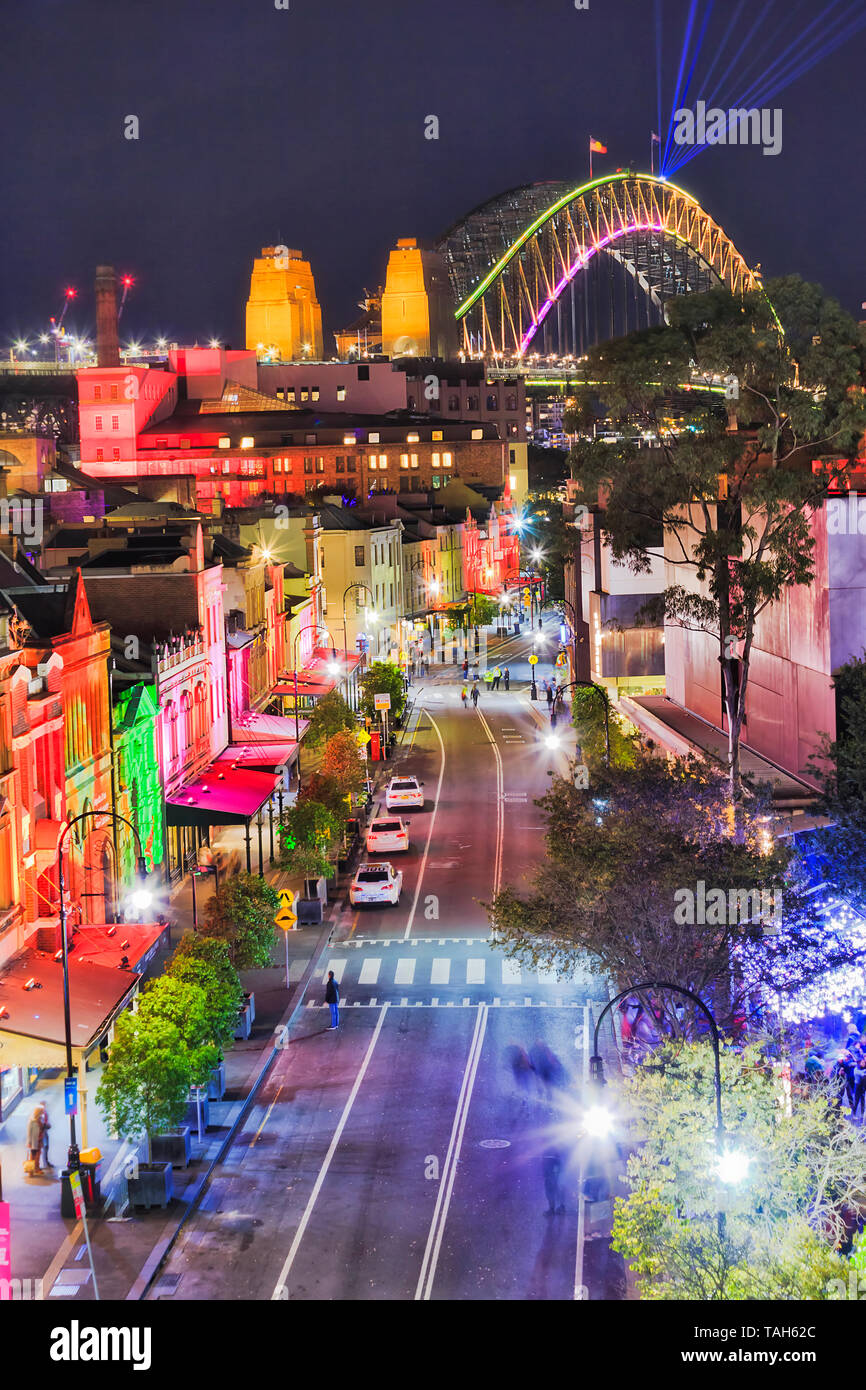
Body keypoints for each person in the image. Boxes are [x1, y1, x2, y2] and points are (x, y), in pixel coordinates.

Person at [542, 1150, 565, 1215]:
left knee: (551, 1191)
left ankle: (555, 1208)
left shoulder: (550, 1158)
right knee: (555, 1191)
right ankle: (559, 1207)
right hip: (552, 1169)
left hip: (552, 1172)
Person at [25, 1106, 45, 1175]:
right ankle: (31, 1170)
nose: (43, 1113)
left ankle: (36, 1168)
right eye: (42, 1112)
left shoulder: (41, 1119)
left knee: (38, 1155)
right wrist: (29, 1142)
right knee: (33, 1155)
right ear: (38, 1112)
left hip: (39, 1140)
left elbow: (43, 1127)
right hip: (34, 1141)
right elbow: (29, 1133)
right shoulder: (32, 1121)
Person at [37, 1104, 52, 1168]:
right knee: (40, 1150)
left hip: (43, 1134)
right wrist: (47, 1125)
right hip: (41, 1135)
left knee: (45, 1148)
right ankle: (38, 1166)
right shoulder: (38, 1118)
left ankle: (44, 1163)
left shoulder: (42, 1115)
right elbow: (42, 1125)